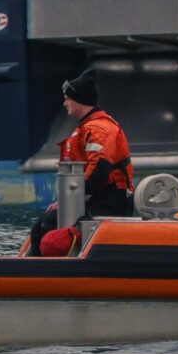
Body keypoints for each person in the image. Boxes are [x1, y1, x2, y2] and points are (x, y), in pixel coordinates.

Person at [26, 68, 134, 256]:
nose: (65, 102)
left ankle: (45, 274)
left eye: (68, 98)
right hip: (93, 195)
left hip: (110, 198)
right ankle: (34, 272)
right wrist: (63, 200)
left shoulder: (99, 129)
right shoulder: (88, 128)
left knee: (49, 224)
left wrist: (70, 198)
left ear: (79, 100)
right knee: (41, 225)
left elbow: (98, 170)